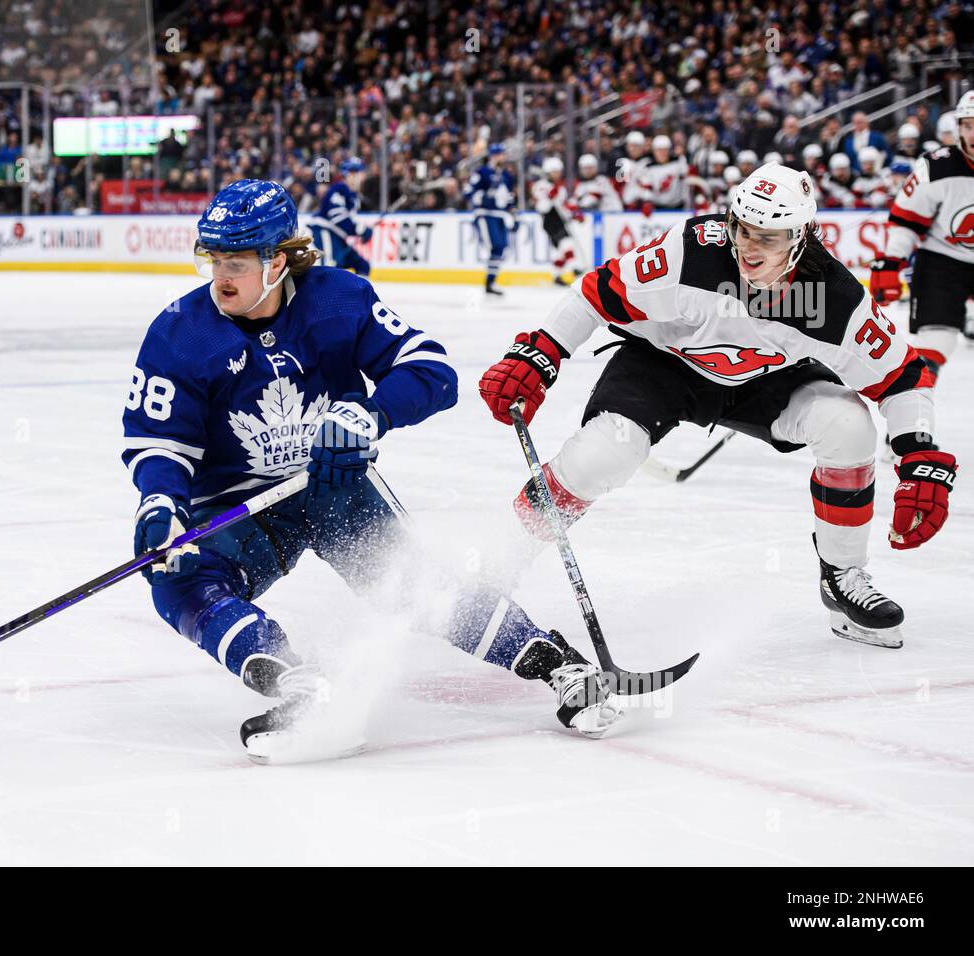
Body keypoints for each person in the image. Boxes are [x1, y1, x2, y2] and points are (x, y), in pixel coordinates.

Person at [123, 179, 621, 761]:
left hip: (331, 487)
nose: (220, 276)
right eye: (213, 259)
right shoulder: (180, 333)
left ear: (277, 261)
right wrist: (161, 501)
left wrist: (370, 413)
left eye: (236, 262)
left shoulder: (339, 299)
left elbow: (433, 372)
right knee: (179, 579)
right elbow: (160, 442)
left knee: (415, 586)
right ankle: (302, 689)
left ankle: (560, 666)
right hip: (240, 507)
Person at [478, 164, 955, 649]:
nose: (749, 247)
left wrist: (918, 455)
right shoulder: (689, 252)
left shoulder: (835, 299)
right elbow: (594, 295)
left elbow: (904, 377)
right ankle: (497, 564)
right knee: (601, 456)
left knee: (849, 425)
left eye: (768, 237)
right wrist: (540, 352)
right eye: (743, 229)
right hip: (662, 365)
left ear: (801, 237)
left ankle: (842, 575)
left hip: (762, 381)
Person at [871, 91, 974, 377]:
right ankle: (916, 395)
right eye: (968, 125)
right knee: (935, 338)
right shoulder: (936, 166)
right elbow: (906, 221)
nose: (973, 134)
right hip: (943, 260)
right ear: (958, 129)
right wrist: (892, 262)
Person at [306, 157, 373, 276]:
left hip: (338, 238)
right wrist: (360, 230)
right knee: (328, 270)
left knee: (362, 265)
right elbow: (338, 217)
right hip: (326, 232)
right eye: (353, 172)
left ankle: (357, 289)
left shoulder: (352, 194)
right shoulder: (339, 189)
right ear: (345, 175)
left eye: (358, 172)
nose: (357, 176)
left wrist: (359, 229)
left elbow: (347, 218)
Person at [466, 143, 516, 296]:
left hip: (500, 215)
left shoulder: (507, 175)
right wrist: (482, 197)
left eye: (503, 154)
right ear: (492, 156)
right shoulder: (482, 172)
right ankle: (489, 282)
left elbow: (509, 197)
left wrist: (512, 211)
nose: (502, 157)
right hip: (486, 214)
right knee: (495, 245)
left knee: (500, 248)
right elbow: (468, 192)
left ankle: (491, 282)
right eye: (499, 154)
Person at [531, 156, 585, 285]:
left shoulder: (560, 188)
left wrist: (573, 214)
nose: (557, 174)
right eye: (554, 171)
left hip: (559, 220)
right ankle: (575, 268)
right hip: (550, 221)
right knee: (566, 243)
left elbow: (562, 206)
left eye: (558, 171)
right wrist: (549, 197)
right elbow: (542, 207)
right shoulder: (540, 186)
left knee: (560, 250)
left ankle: (557, 275)